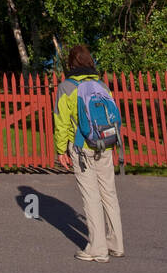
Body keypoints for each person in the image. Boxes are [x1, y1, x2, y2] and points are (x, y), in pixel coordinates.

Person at [53, 45, 124, 262]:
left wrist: (60, 150)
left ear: (71, 64)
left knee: (91, 196)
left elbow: (61, 121)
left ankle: (97, 248)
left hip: (82, 146)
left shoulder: (66, 87)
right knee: (109, 193)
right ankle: (116, 244)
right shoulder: (101, 84)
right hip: (107, 143)